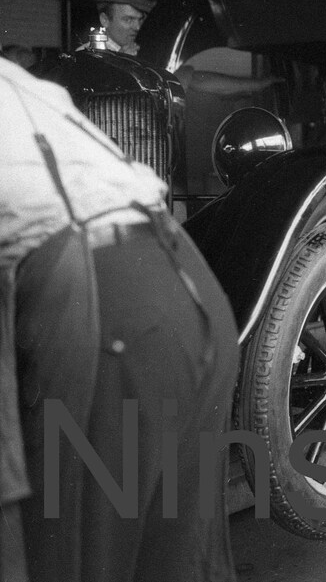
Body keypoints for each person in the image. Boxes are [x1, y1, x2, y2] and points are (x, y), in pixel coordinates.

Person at [0, 57, 239, 582]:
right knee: (176, 562)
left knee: (72, 560)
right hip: (186, 283)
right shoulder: (16, 83)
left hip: (111, 308)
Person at [77, 0, 155, 56]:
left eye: (140, 19)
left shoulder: (145, 51)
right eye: (128, 20)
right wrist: (121, 60)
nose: (137, 27)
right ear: (105, 20)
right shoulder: (86, 54)